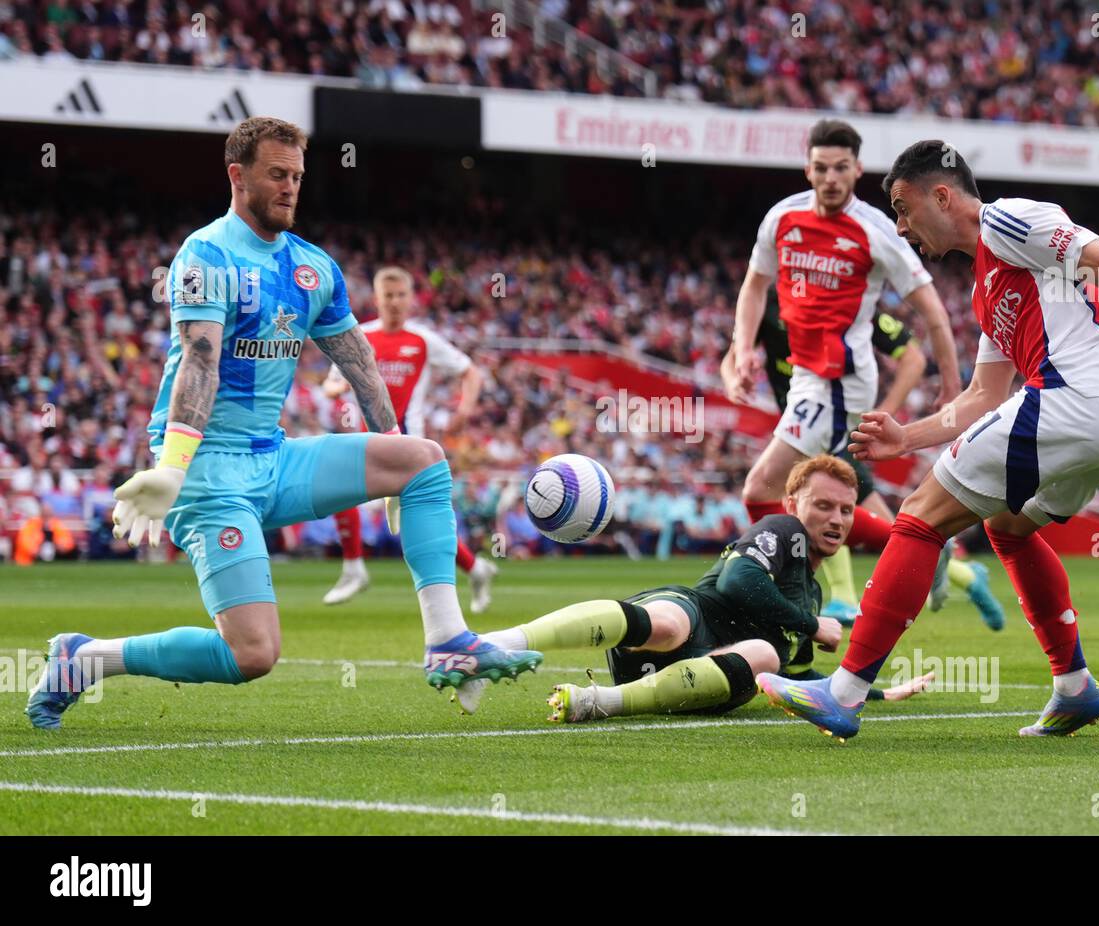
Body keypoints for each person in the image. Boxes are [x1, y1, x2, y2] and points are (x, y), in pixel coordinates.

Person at [26, 116, 539, 731]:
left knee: (422, 460)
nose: (291, 187)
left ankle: (449, 639)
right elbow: (201, 360)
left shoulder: (313, 267)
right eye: (277, 174)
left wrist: (392, 447)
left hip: (272, 458)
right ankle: (85, 659)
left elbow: (360, 363)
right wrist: (172, 468)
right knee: (253, 654)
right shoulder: (206, 254)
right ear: (237, 176)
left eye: (296, 176)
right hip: (206, 470)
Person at [757, 139, 1099, 740]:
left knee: (919, 516)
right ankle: (1075, 686)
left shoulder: (1008, 220)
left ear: (943, 195)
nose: (903, 227)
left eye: (904, 208)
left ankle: (843, 693)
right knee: (1008, 528)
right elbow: (983, 396)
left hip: (1078, 397)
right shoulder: (986, 291)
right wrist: (905, 438)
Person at [456, 456, 932, 719]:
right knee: (671, 623)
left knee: (768, 657)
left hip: (703, 677)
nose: (836, 519)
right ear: (792, 504)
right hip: (688, 618)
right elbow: (737, 579)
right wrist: (810, 625)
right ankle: (494, 644)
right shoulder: (783, 530)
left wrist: (868, 690)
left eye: (846, 510)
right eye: (823, 505)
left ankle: (597, 703)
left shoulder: (812, 593)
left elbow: (800, 678)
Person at [728, 119, 969, 627]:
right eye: (821, 168)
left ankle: (792, 594)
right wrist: (741, 348)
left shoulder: (875, 230)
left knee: (762, 488)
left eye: (841, 168)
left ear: (857, 170)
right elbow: (754, 286)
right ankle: (910, 547)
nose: (831, 178)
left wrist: (951, 386)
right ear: (808, 169)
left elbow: (932, 311)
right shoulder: (782, 218)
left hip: (840, 383)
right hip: (806, 378)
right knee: (817, 498)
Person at [722, 286, 1004, 629]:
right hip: (801, 429)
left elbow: (913, 358)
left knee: (814, 503)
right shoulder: (765, 299)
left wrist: (882, 412)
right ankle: (964, 573)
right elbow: (734, 356)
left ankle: (842, 596)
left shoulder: (846, 298)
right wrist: (734, 378)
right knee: (879, 530)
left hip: (833, 424)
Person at [318, 265, 496, 611]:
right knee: (336, 486)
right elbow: (330, 382)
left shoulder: (423, 340)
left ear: (411, 299)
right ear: (377, 299)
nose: (395, 302)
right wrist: (335, 387)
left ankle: (474, 570)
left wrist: (463, 410)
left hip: (411, 446)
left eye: (401, 295)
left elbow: (471, 372)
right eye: (389, 296)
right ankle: (355, 568)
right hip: (370, 440)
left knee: (419, 526)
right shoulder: (360, 335)